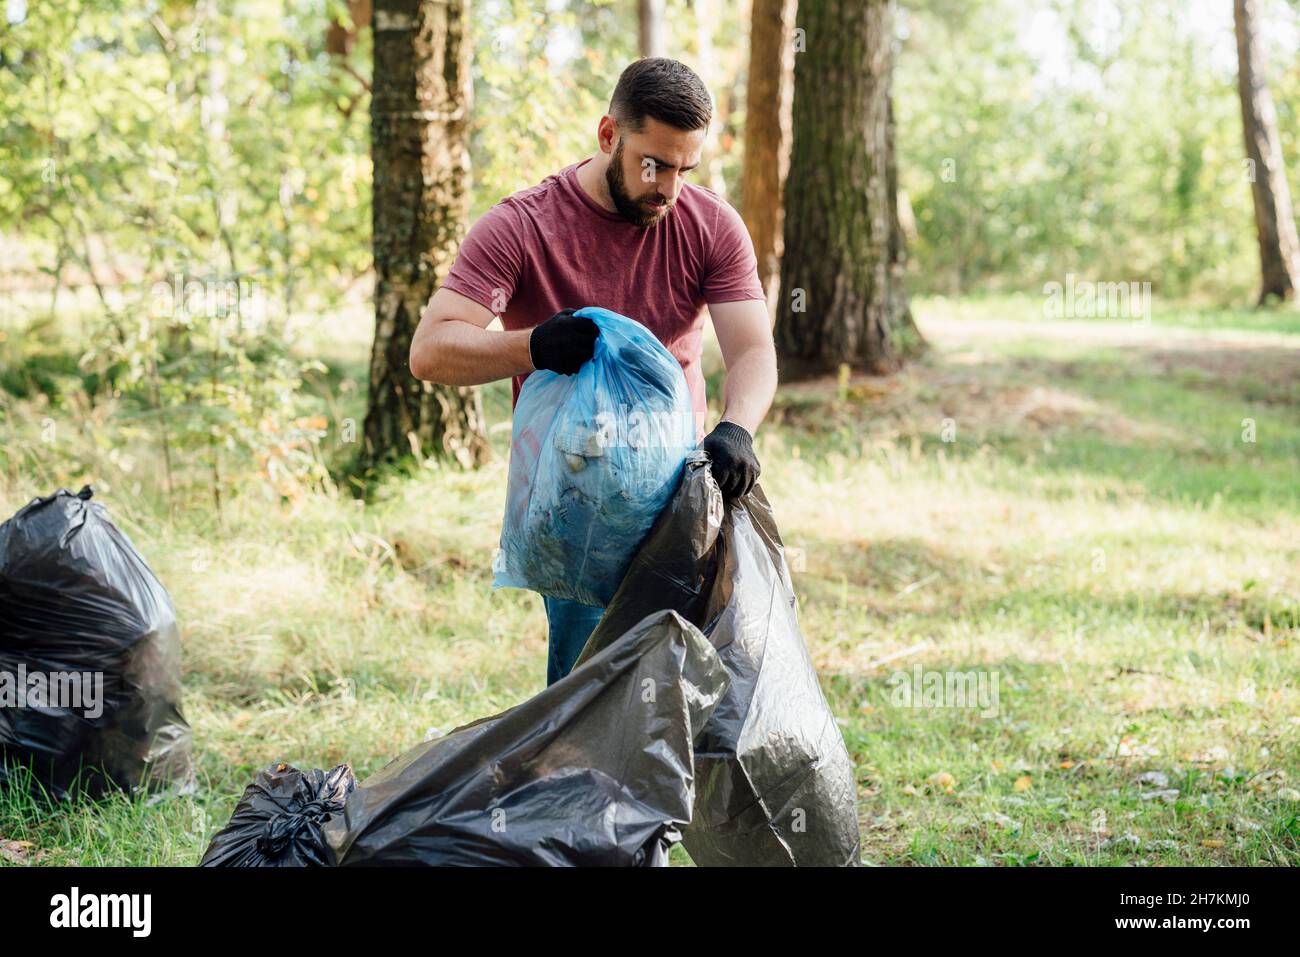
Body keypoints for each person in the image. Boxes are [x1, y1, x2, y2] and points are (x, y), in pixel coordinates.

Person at [409, 57, 778, 685]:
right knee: (588, 687)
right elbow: (432, 351)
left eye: (685, 170)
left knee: (692, 678)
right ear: (608, 135)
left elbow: (751, 350)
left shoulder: (711, 224)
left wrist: (737, 427)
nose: (669, 189)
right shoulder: (523, 226)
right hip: (573, 493)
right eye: (654, 165)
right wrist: (536, 345)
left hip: (681, 488)